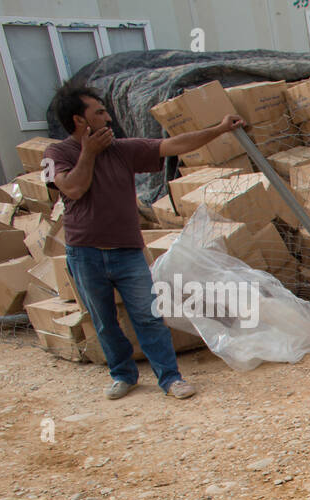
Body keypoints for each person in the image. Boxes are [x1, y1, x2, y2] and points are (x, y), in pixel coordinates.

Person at [45, 85, 244, 400]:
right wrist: (89, 153)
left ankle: (170, 378)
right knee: (104, 321)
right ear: (79, 121)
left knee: (148, 315)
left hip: (126, 252)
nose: (108, 118)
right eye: (99, 112)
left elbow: (174, 144)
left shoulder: (123, 149)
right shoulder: (56, 154)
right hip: (85, 254)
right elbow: (72, 188)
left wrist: (220, 129)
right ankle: (123, 375)